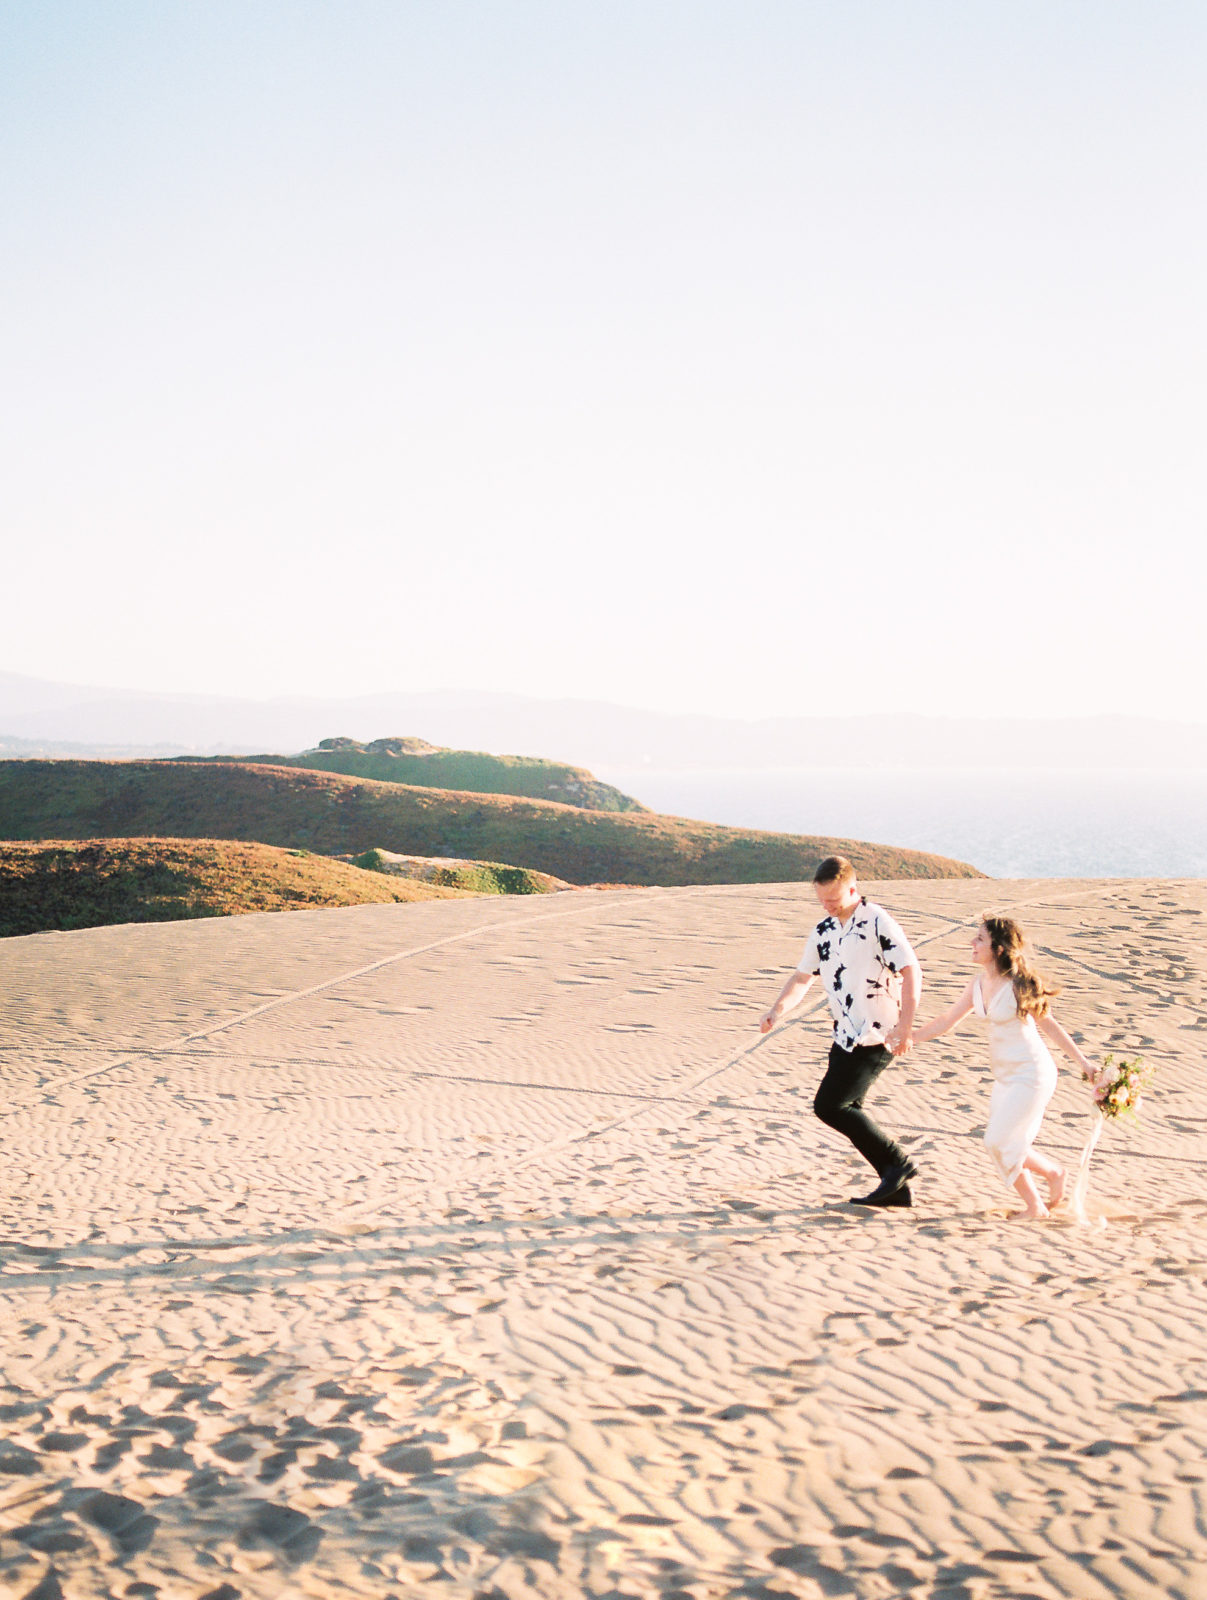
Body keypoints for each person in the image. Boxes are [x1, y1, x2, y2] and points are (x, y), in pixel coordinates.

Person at [759, 856, 922, 1208]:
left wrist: (906, 1025)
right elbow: (803, 977)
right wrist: (777, 1010)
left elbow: (911, 970)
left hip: (879, 1034)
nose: (828, 906)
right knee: (850, 1109)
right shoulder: (824, 931)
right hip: (845, 1033)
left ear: (853, 888)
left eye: (833, 899)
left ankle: (899, 1163)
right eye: (822, 900)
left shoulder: (877, 921)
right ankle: (895, 1188)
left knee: (831, 1106)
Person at [909, 913, 1094, 1219]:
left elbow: (1050, 1025)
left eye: (980, 938)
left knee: (996, 1140)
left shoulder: (1018, 984)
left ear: (997, 948)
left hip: (1033, 1074)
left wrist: (1084, 1063)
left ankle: (1035, 1207)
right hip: (1005, 1078)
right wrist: (909, 1038)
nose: (972, 943)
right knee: (1007, 1141)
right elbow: (946, 1021)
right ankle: (1054, 1173)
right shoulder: (978, 984)